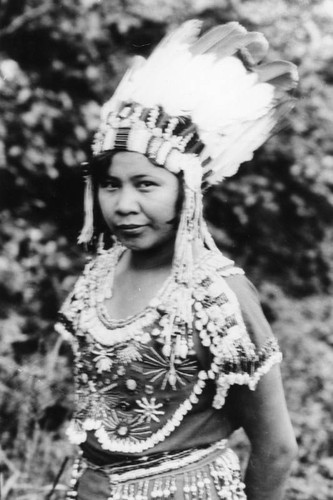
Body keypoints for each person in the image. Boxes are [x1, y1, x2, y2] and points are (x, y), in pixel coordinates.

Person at [55, 20, 298, 500]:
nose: (123, 204)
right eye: (110, 184)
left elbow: (278, 448)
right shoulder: (100, 273)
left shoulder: (218, 297)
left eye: (146, 184)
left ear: (186, 191)